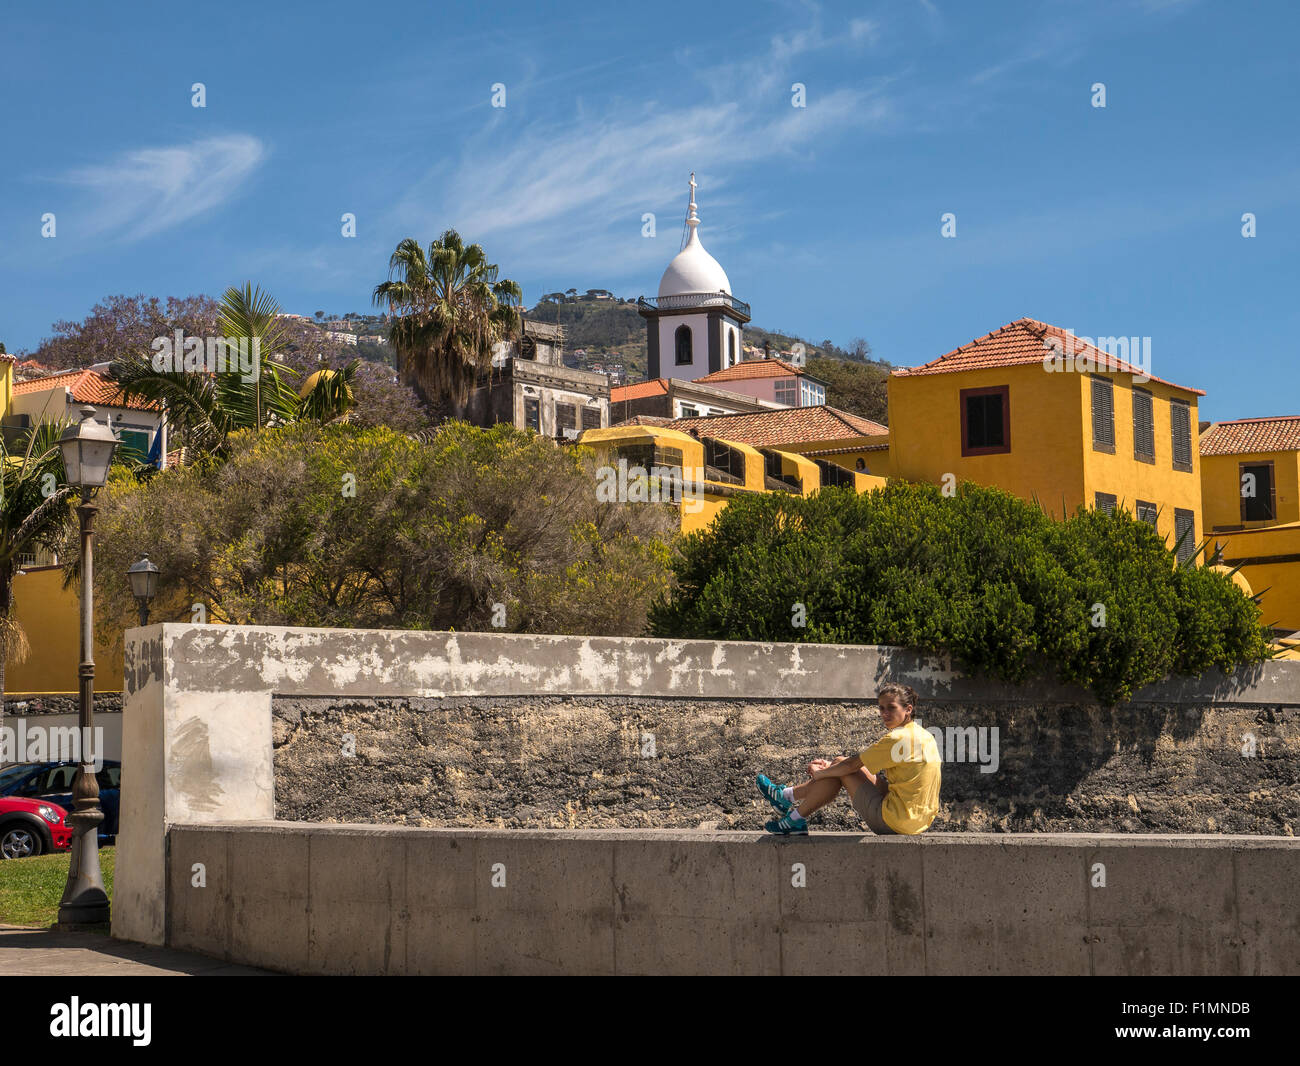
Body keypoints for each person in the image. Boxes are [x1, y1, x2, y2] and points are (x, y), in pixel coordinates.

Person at [756, 682, 940, 836]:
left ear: (908, 709)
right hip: (918, 821)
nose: (884, 713)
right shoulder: (924, 735)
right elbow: (856, 765)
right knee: (839, 763)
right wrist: (831, 767)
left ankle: (792, 814)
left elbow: (852, 765)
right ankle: (785, 798)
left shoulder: (897, 739)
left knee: (841, 768)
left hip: (896, 822)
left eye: (891, 708)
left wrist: (821, 774)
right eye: (881, 708)